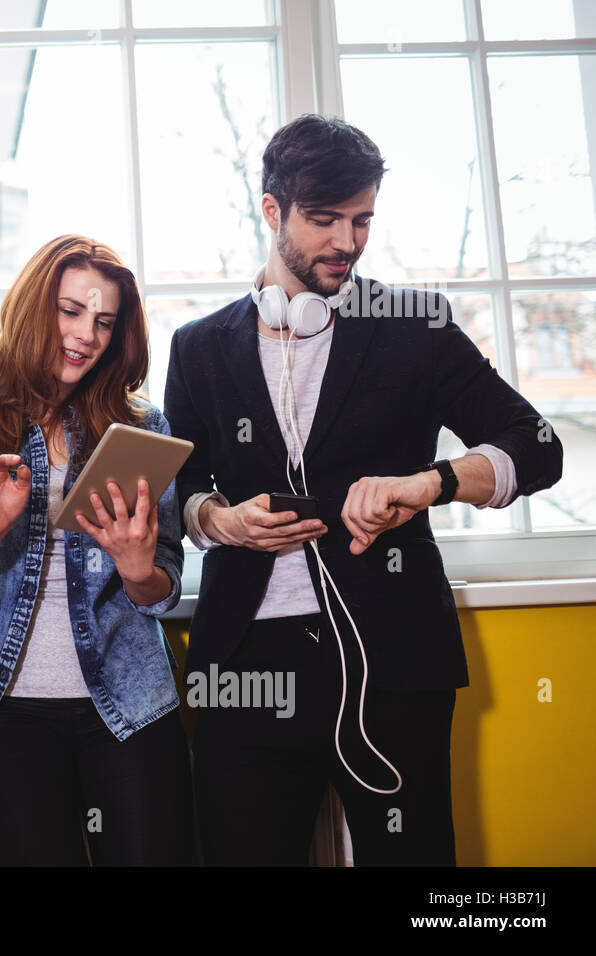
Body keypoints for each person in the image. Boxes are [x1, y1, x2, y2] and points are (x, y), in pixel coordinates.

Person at [163, 114, 564, 866]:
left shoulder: (416, 326)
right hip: (246, 660)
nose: (346, 242)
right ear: (272, 210)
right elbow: (183, 483)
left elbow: (537, 448)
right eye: (324, 220)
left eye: (362, 220)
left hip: (395, 654)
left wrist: (433, 482)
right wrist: (215, 517)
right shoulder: (197, 348)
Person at [0, 235, 193, 866]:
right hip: (1, 712)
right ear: (33, 308)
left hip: (128, 700)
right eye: (70, 311)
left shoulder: (141, 428)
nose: (85, 336)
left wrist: (137, 566)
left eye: (103, 321)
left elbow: (163, 588)